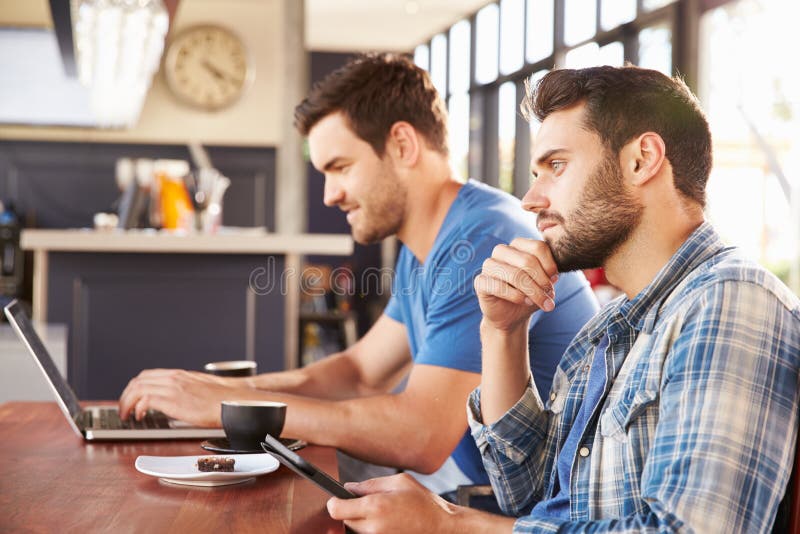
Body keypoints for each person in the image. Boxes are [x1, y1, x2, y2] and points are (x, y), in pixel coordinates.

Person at [326, 65, 800, 532]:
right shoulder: (614, 324)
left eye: (556, 166)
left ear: (642, 159)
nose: (530, 199)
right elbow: (528, 493)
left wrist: (449, 526)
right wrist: (502, 331)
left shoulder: (728, 302)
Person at [118, 53, 598, 494]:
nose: (329, 195)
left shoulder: (482, 238)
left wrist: (235, 407)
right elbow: (361, 372)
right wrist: (227, 394)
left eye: (340, 167)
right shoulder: (428, 244)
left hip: (531, 511)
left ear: (402, 145)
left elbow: (421, 435)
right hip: (485, 490)